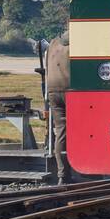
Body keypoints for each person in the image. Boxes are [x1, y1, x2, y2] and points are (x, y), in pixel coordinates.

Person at [45, 31, 73, 184]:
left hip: (53, 91)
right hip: (72, 91)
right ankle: (83, 170)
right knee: (83, 130)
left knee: (61, 132)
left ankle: (62, 174)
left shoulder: (53, 43)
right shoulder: (79, 43)